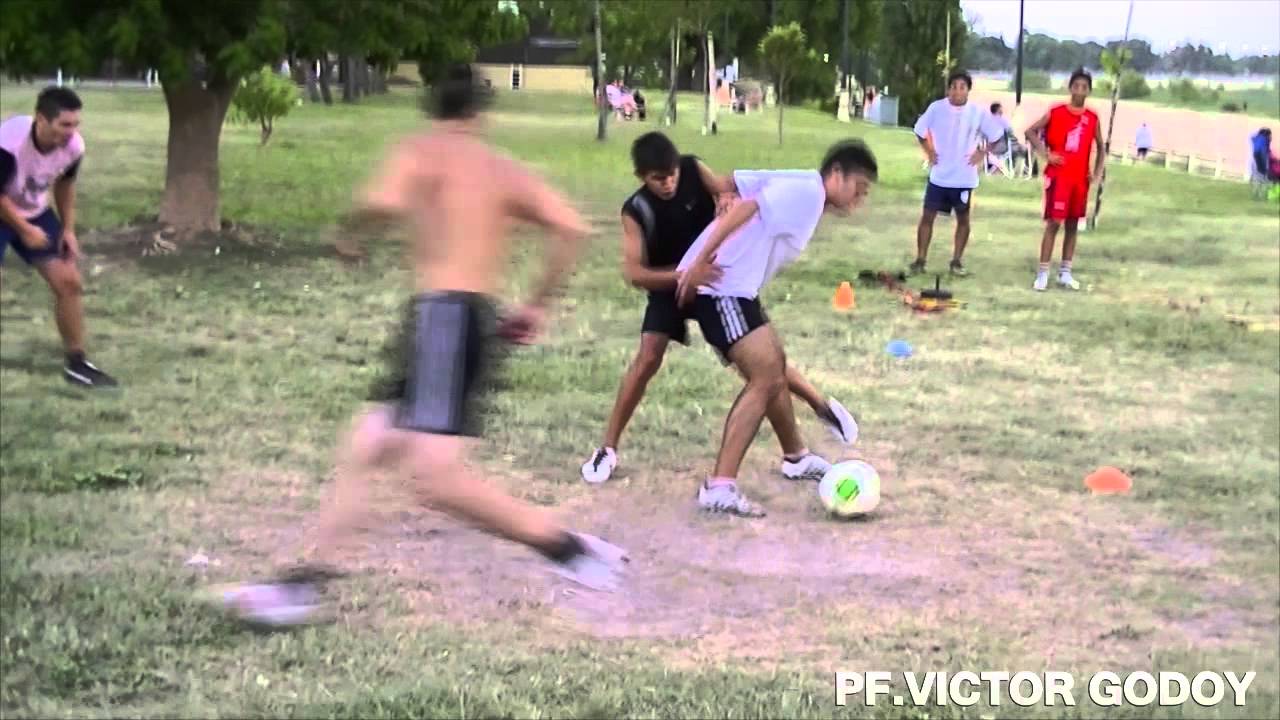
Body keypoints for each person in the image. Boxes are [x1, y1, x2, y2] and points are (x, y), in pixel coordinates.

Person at [223, 65, 626, 625]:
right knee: (365, 446)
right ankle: (302, 587)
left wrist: (349, 232)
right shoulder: (499, 167)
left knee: (436, 479)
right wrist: (537, 303)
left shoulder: (421, 150)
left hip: (444, 320)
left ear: (431, 107)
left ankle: (565, 547)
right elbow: (573, 228)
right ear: (479, 115)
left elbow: (383, 201)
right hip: (452, 321)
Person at [580, 132, 857, 484]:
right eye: (658, 178)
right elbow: (634, 273)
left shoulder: (693, 169)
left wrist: (725, 199)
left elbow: (729, 190)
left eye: (672, 174)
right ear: (642, 177)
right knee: (648, 358)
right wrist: (684, 276)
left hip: (718, 277)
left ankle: (797, 451)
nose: (668, 183)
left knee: (763, 365)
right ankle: (607, 447)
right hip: (672, 285)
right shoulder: (636, 211)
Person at [672, 139, 878, 518]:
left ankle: (796, 456)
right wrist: (699, 262)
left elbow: (731, 183)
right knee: (765, 375)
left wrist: (819, 403)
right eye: (858, 189)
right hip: (721, 288)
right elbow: (746, 207)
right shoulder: (805, 193)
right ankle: (719, 487)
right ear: (837, 174)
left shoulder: (804, 184)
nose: (858, 200)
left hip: (737, 289)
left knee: (773, 366)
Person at [0, 86, 117, 387]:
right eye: (65, 124)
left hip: (34, 211)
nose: (71, 132)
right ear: (41, 119)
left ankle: (77, 364)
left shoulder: (74, 147)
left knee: (69, 282)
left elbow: (65, 185)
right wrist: (24, 230)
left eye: (76, 123)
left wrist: (67, 229)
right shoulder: (10, 142)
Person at [909, 71, 1007, 277]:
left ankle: (956, 261)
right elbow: (919, 130)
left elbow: (997, 135)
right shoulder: (936, 108)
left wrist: (981, 153)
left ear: (968, 90)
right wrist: (929, 151)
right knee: (927, 216)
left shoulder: (976, 112)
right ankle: (920, 259)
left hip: (963, 177)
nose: (957, 91)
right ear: (948, 89)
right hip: (939, 175)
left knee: (963, 219)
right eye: (953, 86)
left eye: (962, 87)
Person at [1024, 68, 1105, 292]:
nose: (1080, 90)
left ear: (1089, 90)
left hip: (1080, 179)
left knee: (1072, 225)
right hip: (1059, 177)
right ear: (1070, 88)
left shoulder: (1092, 118)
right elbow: (1030, 131)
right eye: (1076, 86)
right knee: (1054, 223)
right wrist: (1046, 154)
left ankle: (1065, 272)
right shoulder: (1056, 112)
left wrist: (1096, 173)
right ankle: (1042, 273)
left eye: (1084, 87)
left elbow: (1100, 147)